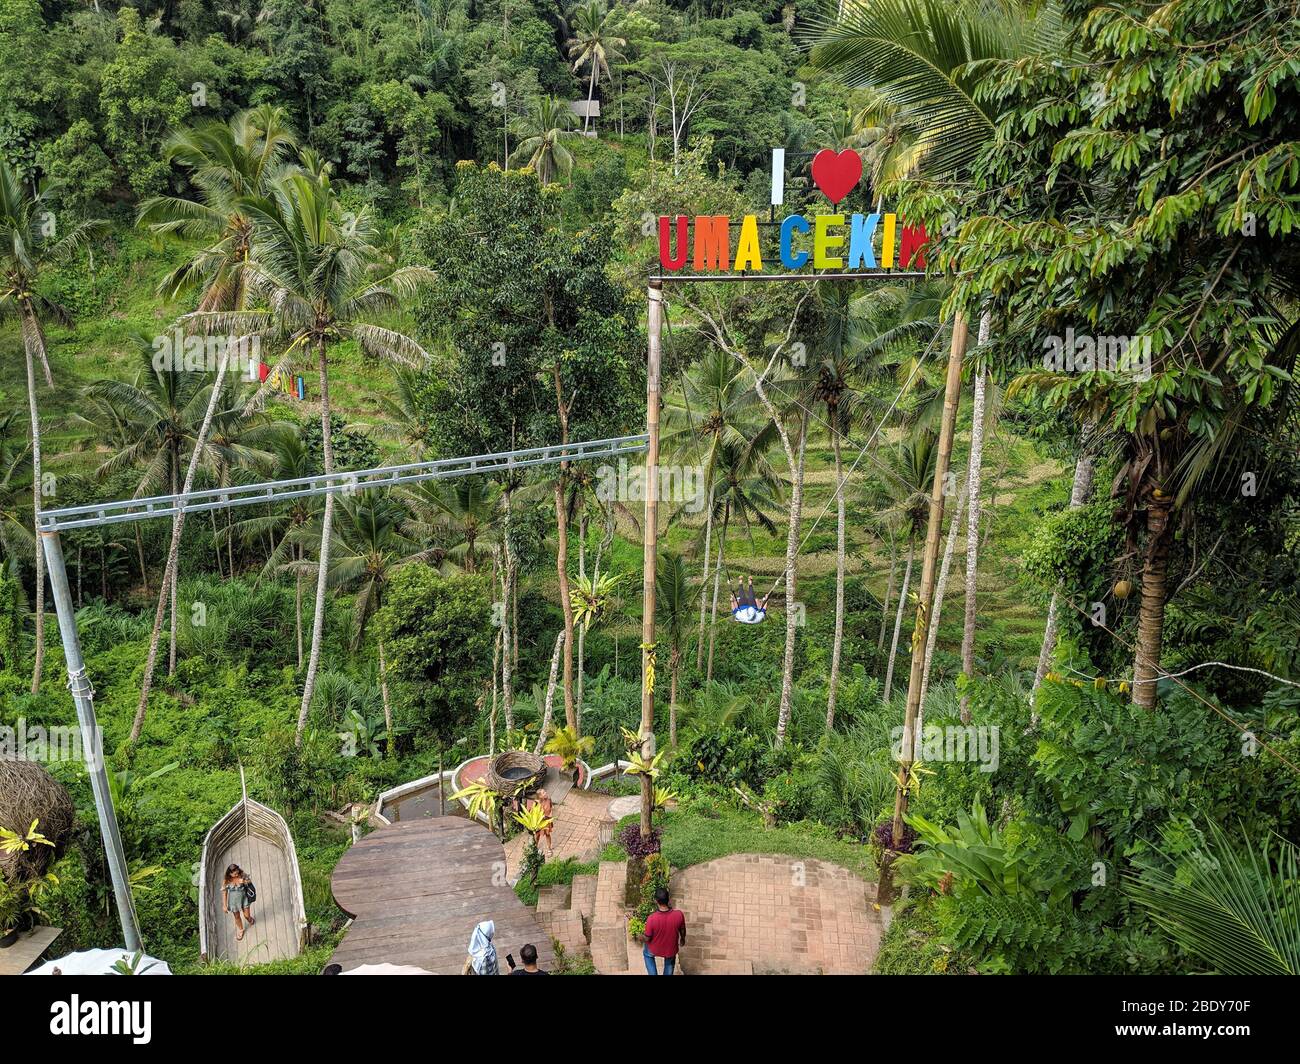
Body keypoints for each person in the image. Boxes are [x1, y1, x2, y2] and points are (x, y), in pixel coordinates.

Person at [642, 887, 686, 975]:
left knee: (647, 954)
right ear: (668, 899)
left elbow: (647, 938)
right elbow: (682, 929)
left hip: (654, 949)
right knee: (669, 963)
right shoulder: (679, 915)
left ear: (656, 901)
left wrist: (640, 936)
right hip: (670, 949)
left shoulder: (652, 919)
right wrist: (682, 939)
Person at [222, 863, 256, 942]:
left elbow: (249, 881)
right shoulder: (226, 880)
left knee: (247, 915)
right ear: (230, 874)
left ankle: (249, 919)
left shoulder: (242, 875)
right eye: (235, 874)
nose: (237, 875)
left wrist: (244, 881)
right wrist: (224, 905)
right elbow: (224, 893)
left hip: (244, 899)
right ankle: (241, 929)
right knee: (237, 916)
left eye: (237, 872)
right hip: (233, 902)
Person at [529, 788, 555, 856]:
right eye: (543, 793)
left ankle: (549, 849)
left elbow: (551, 807)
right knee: (537, 836)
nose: (545, 793)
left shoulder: (549, 800)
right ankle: (535, 848)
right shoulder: (536, 803)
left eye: (545, 791)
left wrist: (551, 815)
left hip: (547, 821)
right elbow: (532, 812)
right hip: (539, 822)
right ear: (540, 796)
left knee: (547, 834)